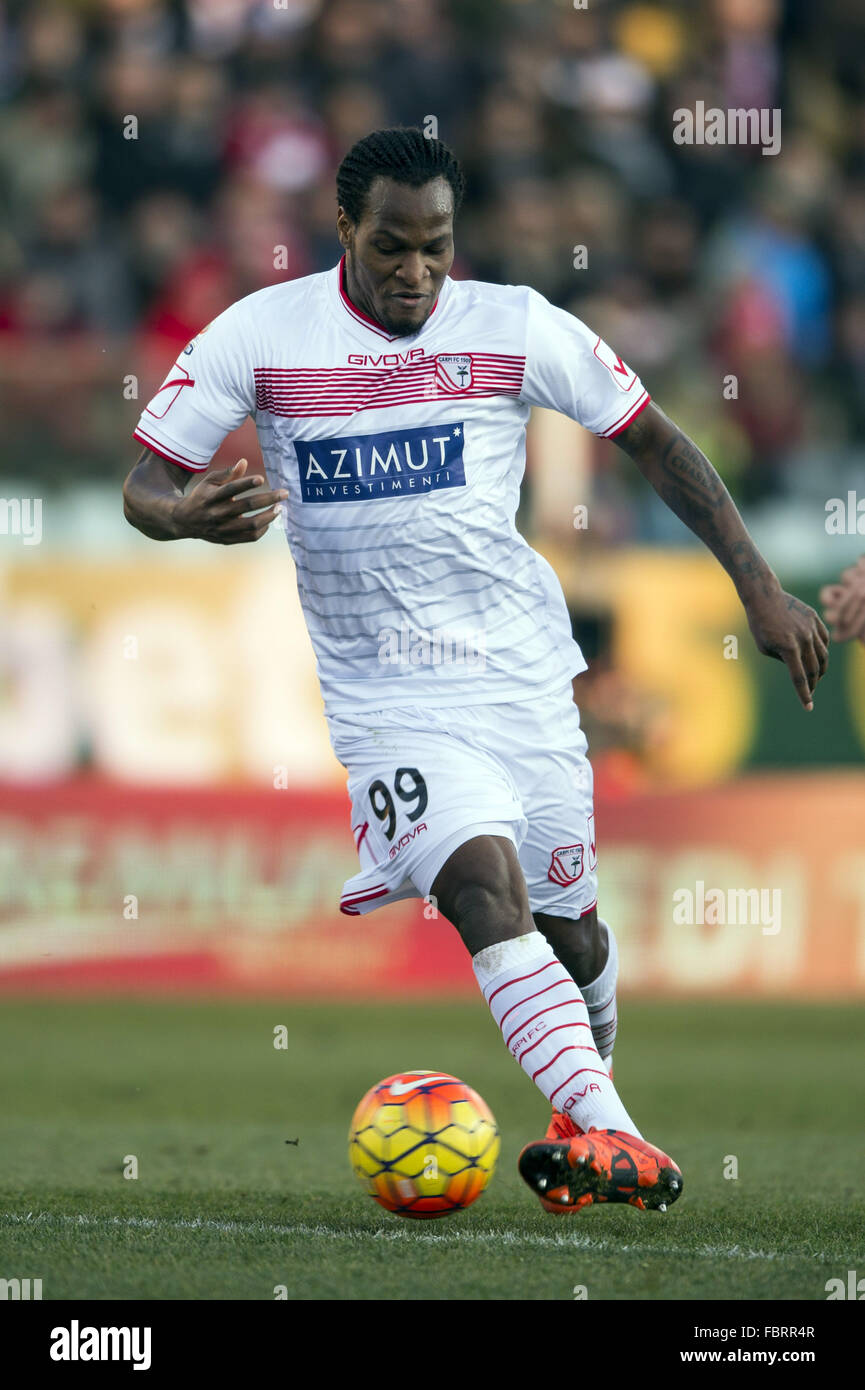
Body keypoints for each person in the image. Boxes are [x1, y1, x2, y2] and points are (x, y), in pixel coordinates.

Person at [123, 127, 828, 1214]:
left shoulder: (514, 324)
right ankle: (618, 1136)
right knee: (478, 891)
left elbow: (655, 440)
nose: (415, 273)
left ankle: (577, 1111)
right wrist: (183, 516)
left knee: (572, 930)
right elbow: (144, 481)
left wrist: (759, 589)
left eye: (436, 249)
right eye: (392, 248)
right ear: (346, 230)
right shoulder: (259, 337)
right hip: (389, 699)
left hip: (523, 677)